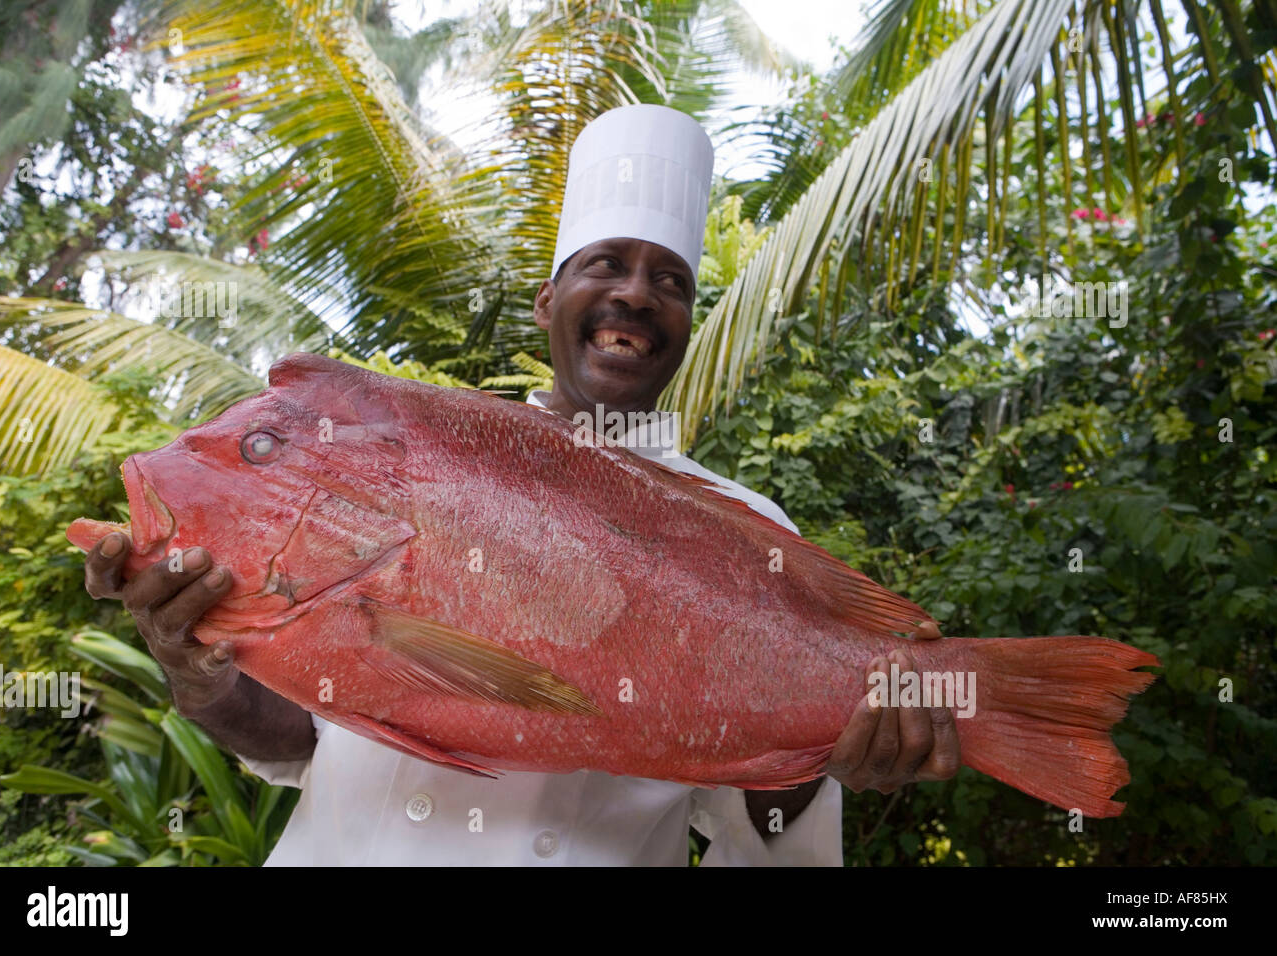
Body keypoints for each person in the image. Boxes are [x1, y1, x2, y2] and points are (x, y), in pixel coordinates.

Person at [82, 105, 959, 865]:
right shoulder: (414, 456)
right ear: (548, 301)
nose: (636, 294)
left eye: (670, 280)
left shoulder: (751, 531)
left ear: (688, 322)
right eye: (605, 264)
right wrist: (196, 677)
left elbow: (756, 828)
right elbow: (299, 741)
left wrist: (825, 760)